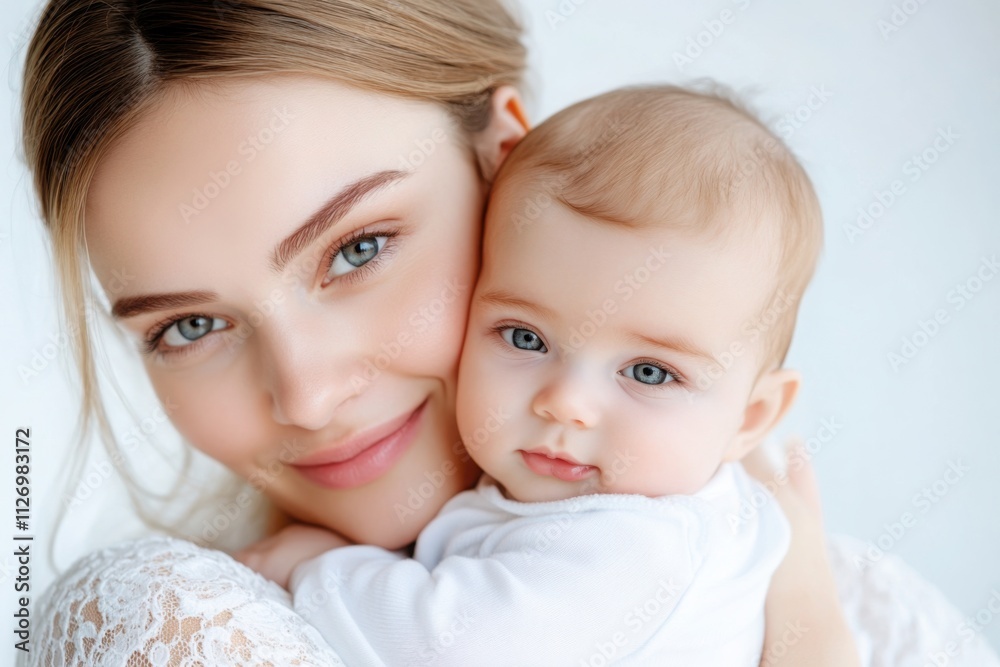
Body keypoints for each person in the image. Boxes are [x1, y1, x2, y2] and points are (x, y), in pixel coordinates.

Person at [18, 1, 993, 666]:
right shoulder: (177, 623)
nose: (308, 394)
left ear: (503, 155)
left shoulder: (867, 612)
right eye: (190, 324)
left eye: (358, 250)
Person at [236, 84, 814, 665]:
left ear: (752, 418)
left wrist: (315, 566)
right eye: (525, 338)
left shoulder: (646, 542)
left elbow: (455, 646)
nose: (565, 403)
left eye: (649, 372)